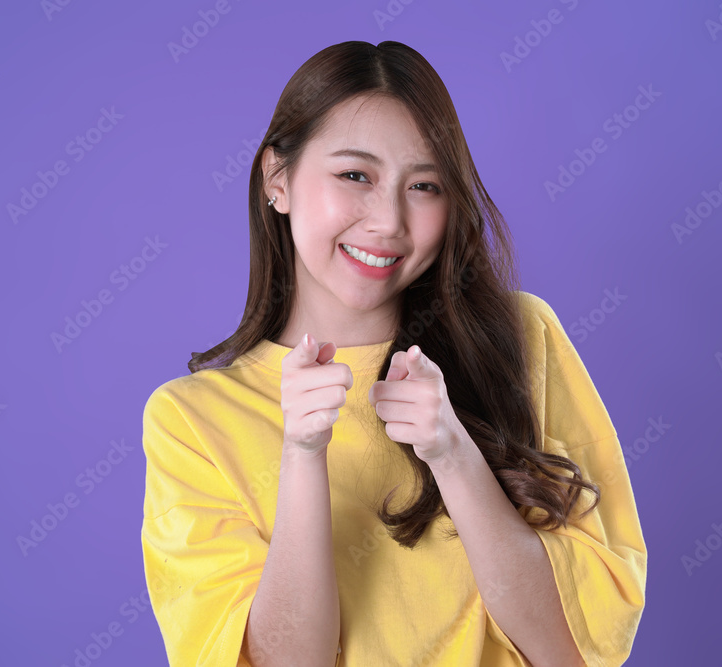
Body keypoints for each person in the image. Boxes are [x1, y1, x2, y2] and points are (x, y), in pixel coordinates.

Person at [141, 40, 647, 667]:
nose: (389, 220)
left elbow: (573, 651)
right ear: (278, 180)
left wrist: (454, 452)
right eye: (355, 175)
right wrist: (302, 455)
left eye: (426, 185)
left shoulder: (521, 338)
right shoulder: (191, 421)